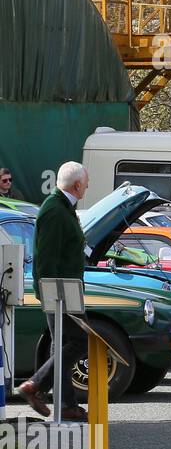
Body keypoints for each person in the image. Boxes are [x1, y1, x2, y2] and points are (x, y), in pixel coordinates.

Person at [15, 162, 90, 420]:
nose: (88, 186)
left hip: (65, 288)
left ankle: (67, 404)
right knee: (79, 341)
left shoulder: (63, 208)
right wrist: (50, 291)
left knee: (62, 345)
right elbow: (46, 258)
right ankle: (35, 384)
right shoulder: (55, 210)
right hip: (60, 290)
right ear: (77, 185)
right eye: (86, 182)